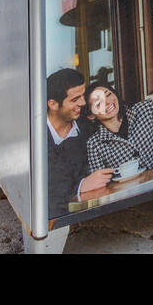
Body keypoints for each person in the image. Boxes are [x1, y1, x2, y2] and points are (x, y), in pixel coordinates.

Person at [45, 68, 114, 216]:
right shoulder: (36, 138)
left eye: (83, 96)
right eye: (75, 99)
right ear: (53, 104)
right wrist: (80, 186)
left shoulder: (90, 127)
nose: (83, 103)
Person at [84, 82, 153, 173]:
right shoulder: (94, 144)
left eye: (108, 95)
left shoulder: (146, 109)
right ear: (91, 115)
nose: (108, 102)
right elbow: (102, 179)